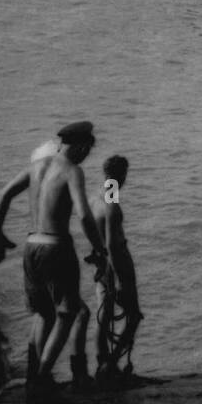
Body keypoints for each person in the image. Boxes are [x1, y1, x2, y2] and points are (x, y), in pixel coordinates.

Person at [0, 121, 107, 400]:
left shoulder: (36, 166)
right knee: (68, 313)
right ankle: (42, 378)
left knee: (43, 314)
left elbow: (4, 194)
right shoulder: (72, 171)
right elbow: (84, 215)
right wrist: (99, 248)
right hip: (56, 248)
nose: (86, 156)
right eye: (87, 150)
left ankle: (33, 378)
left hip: (32, 246)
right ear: (79, 146)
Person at [92, 155, 143, 387]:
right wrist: (120, 279)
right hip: (118, 261)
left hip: (101, 261)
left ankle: (102, 362)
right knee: (133, 316)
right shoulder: (111, 199)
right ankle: (110, 365)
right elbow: (113, 242)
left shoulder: (96, 197)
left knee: (104, 315)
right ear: (122, 175)